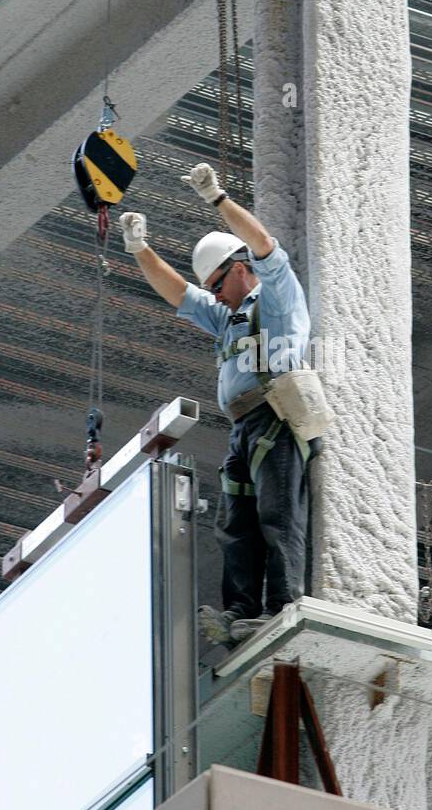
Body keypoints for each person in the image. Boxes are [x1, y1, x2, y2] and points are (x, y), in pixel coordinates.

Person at [120, 162, 313, 648]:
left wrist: (218, 200)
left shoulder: (276, 298)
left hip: (276, 419)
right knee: (236, 525)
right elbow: (177, 293)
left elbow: (266, 244)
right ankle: (241, 613)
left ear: (240, 268)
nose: (213, 296)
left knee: (277, 516)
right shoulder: (228, 316)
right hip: (244, 428)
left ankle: (281, 606)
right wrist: (139, 249)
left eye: (217, 285)